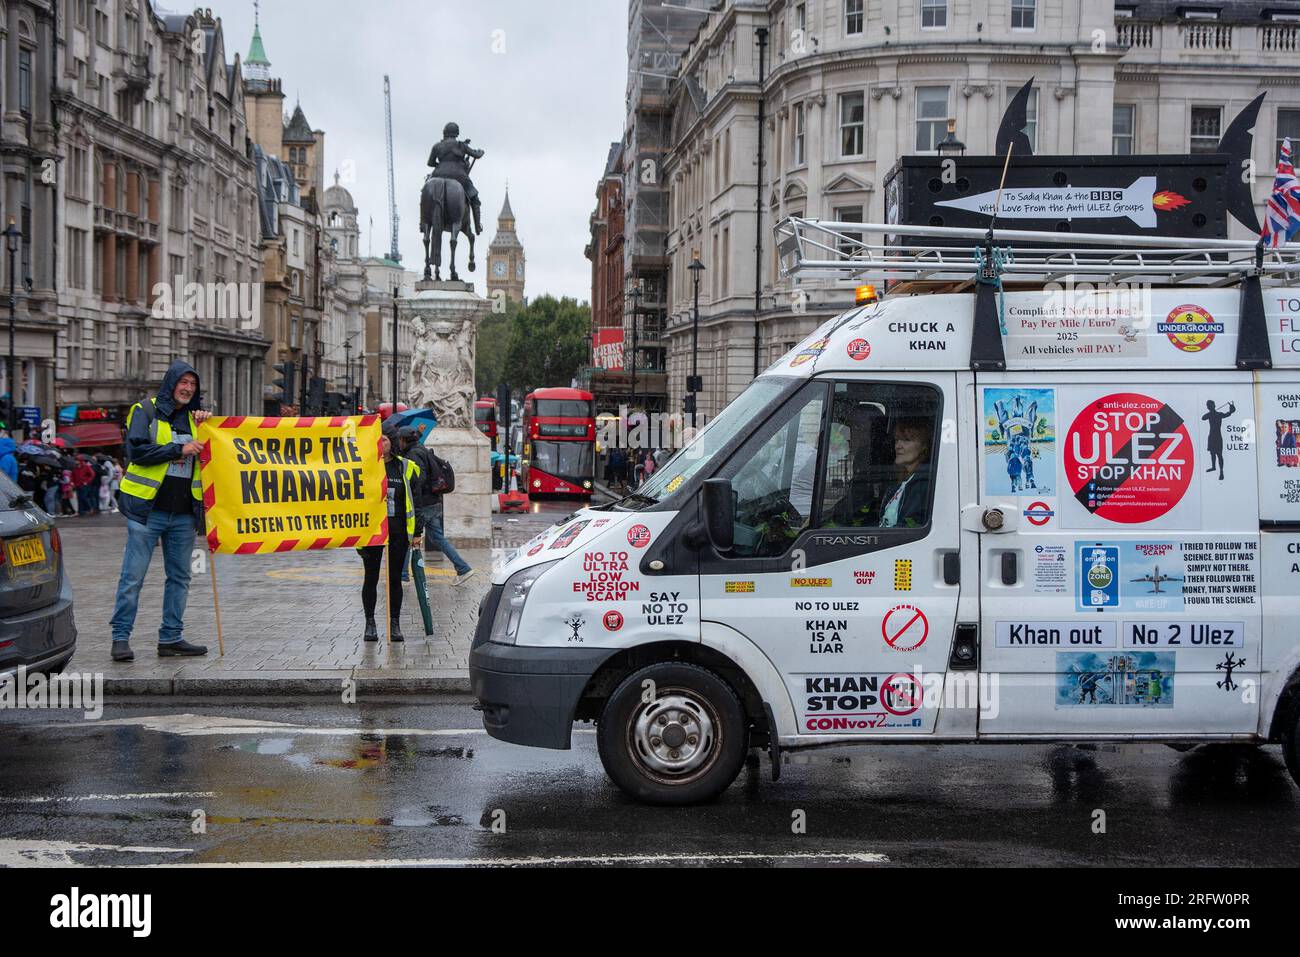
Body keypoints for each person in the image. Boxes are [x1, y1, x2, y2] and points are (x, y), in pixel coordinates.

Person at [108, 360, 211, 662]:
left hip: (183, 515)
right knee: (132, 577)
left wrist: (209, 426)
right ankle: (120, 638)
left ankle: (171, 638)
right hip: (146, 511)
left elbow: (213, 457)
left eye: (193, 385)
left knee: (180, 578)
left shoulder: (197, 419)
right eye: (184, 383)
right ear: (171, 383)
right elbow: (136, 452)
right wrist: (178, 450)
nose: (188, 389)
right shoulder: (146, 410)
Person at [358, 424, 422, 641]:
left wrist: (417, 533)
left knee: (395, 579)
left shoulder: (405, 467)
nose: (381, 443)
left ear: (392, 442)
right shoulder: (365, 466)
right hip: (371, 532)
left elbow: (416, 502)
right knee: (371, 578)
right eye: (377, 439)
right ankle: (370, 623)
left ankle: (394, 623)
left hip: (397, 533)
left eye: (384, 439)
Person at [400, 427, 474, 586]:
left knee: (407, 535)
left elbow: (418, 481)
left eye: (399, 439)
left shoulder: (414, 455)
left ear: (404, 440)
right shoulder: (422, 450)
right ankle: (463, 568)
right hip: (434, 502)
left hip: (424, 503)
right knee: (438, 538)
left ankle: (403, 576)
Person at [427, 121, 486, 234]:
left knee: (425, 191)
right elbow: (477, 155)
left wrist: (440, 165)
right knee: (474, 198)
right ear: (456, 133)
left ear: (445, 132)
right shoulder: (461, 145)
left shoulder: (437, 146)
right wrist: (481, 152)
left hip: (438, 174)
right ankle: (478, 226)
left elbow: (430, 163)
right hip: (459, 176)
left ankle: (423, 222)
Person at [1202, 399, 1235, 481]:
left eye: (1210, 405)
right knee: (1212, 453)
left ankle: (1221, 471)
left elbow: (1229, 413)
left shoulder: (1218, 414)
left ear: (1213, 406)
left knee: (1219, 454)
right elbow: (1203, 418)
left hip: (1217, 437)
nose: (1208, 406)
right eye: (1208, 405)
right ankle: (1213, 467)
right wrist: (1211, 413)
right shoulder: (1211, 414)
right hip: (1212, 436)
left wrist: (1231, 408)